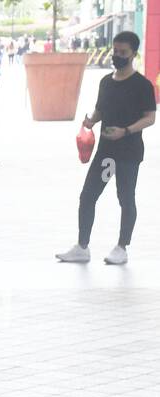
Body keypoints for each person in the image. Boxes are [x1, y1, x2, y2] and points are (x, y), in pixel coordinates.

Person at [56, 32, 157, 266]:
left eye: (123, 53)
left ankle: (122, 247)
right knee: (89, 195)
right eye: (115, 51)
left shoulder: (142, 85)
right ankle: (82, 246)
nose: (118, 56)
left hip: (129, 152)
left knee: (125, 198)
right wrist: (91, 120)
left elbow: (150, 117)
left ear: (134, 54)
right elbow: (100, 110)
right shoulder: (106, 82)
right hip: (106, 152)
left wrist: (127, 130)